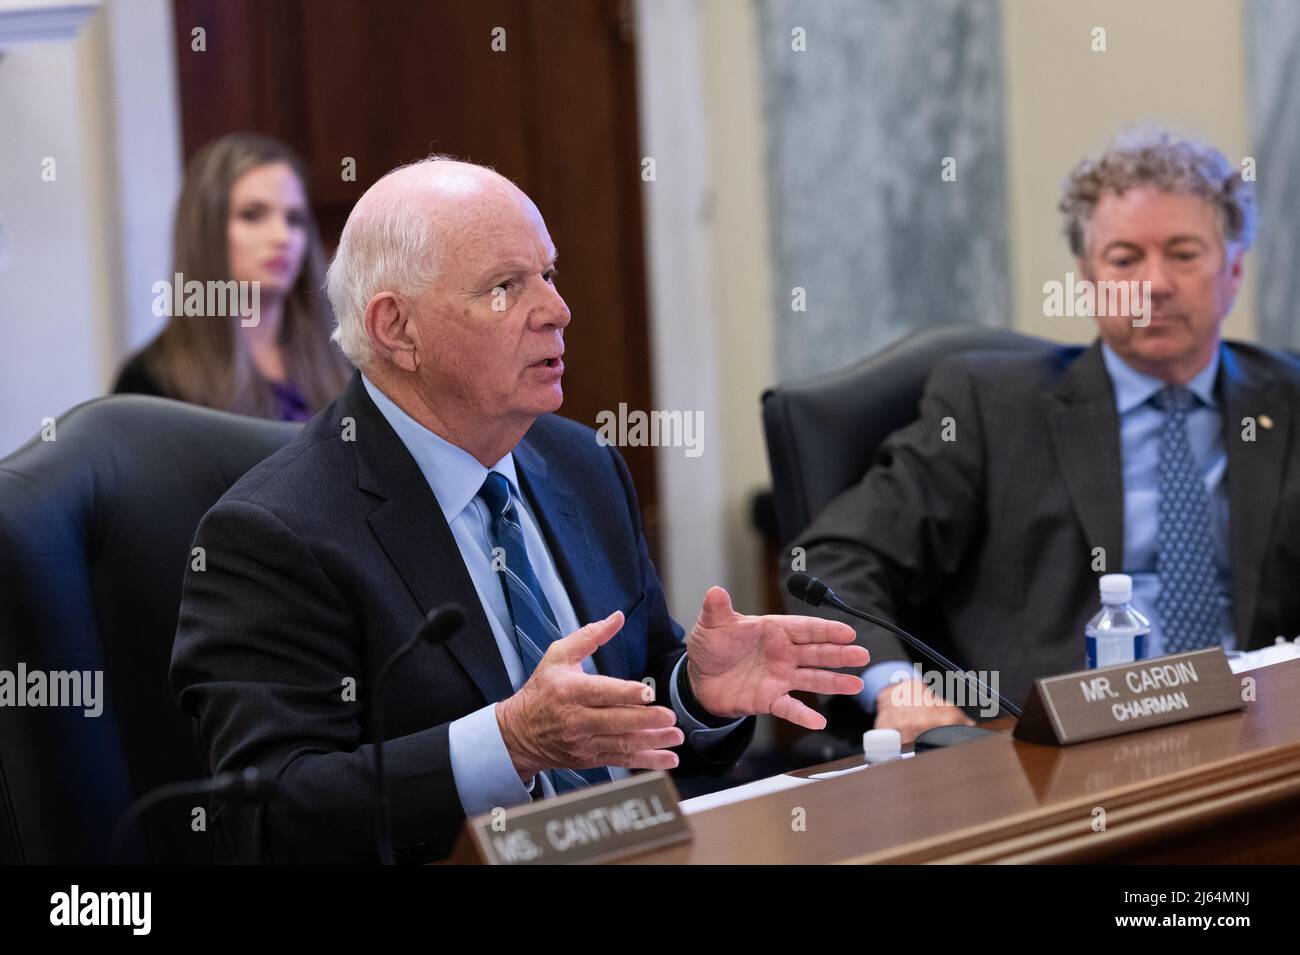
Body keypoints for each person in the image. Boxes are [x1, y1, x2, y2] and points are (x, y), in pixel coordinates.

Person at [170, 156, 869, 863]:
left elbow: (626, 708)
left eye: (550, 275)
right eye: (506, 287)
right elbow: (271, 815)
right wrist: (509, 745)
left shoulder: (582, 465)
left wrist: (695, 692)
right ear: (396, 329)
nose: (557, 311)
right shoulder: (271, 533)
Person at [792, 127, 1300, 744]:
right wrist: (899, 687)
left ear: (1235, 269)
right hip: (1044, 749)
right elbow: (834, 561)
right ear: (1087, 277)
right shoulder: (991, 408)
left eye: (1184, 253)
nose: (1155, 283)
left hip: (1258, 735)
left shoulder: (1288, 401)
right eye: (1125, 259)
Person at [113, 133, 350, 420]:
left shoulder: (347, 360)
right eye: (252, 215)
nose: (283, 236)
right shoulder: (150, 383)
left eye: (295, 219)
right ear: (206, 231)